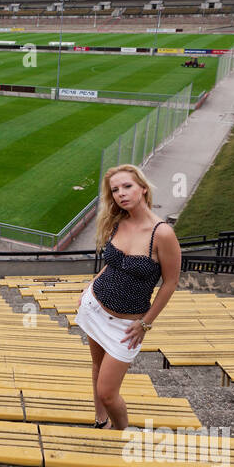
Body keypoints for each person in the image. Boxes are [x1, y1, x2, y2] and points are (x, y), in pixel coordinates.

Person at [75, 164, 181, 430]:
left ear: (143, 188)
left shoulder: (162, 233)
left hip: (126, 326)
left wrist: (146, 323)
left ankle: (121, 431)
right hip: (95, 308)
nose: (121, 193)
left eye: (127, 186)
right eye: (115, 190)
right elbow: (113, 264)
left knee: (108, 393)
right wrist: (90, 285)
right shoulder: (117, 221)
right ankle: (100, 421)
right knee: (97, 367)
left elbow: (170, 283)